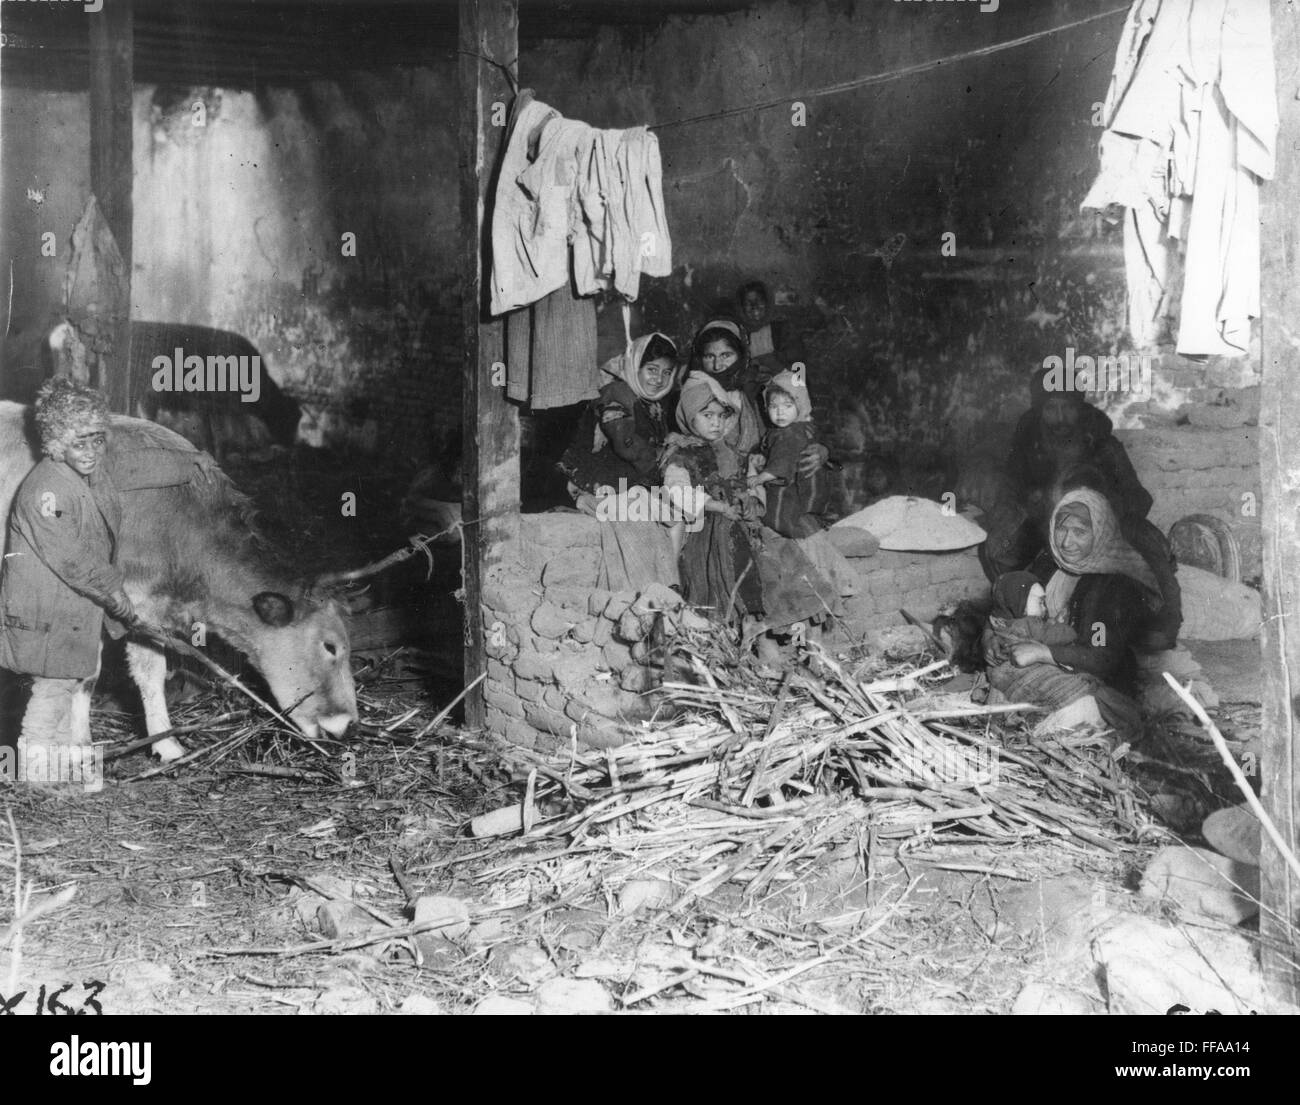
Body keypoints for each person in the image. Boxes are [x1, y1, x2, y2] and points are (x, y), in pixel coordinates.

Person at [981, 366, 1180, 650]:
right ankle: (1028, 619)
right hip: (1044, 526)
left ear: (1080, 408)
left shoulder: (1102, 445)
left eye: (1068, 408)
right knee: (998, 548)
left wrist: (1102, 509)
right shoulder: (1029, 446)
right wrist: (1018, 510)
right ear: (1040, 410)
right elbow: (1009, 490)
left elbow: (1138, 497)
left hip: (1100, 526)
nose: (1060, 418)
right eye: (1051, 408)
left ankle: (1165, 623)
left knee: (1148, 545)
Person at [664, 372, 843, 666]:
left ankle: (811, 647)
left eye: (721, 416)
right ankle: (763, 649)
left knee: (786, 568)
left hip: (748, 524)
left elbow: (749, 481)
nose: (715, 423)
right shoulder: (681, 455)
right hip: (714, 530)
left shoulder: (729, 449)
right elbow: (676, 491)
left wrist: (754, 496)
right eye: (706, 415)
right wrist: (717, 507)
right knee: (745, 581)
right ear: (688, 418)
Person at [0, 379, 137, 758]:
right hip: (46, 611)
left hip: (70, 609)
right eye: (80, 442)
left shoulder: (82, 478)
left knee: (62, 687)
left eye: (97, 438)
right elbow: (71, 555)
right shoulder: (47, 490)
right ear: (56, 442)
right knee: (49, 694)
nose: (92, 451)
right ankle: (36, 779)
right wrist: (114, 591)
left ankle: (54, 772)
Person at [992, 488, 1163, 735]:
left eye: (1080, 532)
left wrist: (1044, 652)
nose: (1066, 542)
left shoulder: (1113, 585)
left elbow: (1101, 656)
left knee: (1065, 717)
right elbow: (1010, 602)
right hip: (1043, 661)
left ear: (1101, 533)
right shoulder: (1048, 563)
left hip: (1099, 677)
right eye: (1062, 529)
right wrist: (991, 636)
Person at [690, 318, 828, 475]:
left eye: (726, 355)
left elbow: (794, 430)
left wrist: (822, 450)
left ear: (741, 356)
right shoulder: (690, 398)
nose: (717, 365)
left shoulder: (759, 392)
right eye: (709, 356)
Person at [736, 280, 805, 378]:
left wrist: (798, 388)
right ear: (741, 307)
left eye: (759, 301)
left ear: (768, 303)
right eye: (748, 303)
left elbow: (798, 363)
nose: (754, 307)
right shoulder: (738, 332)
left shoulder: (782, 328)